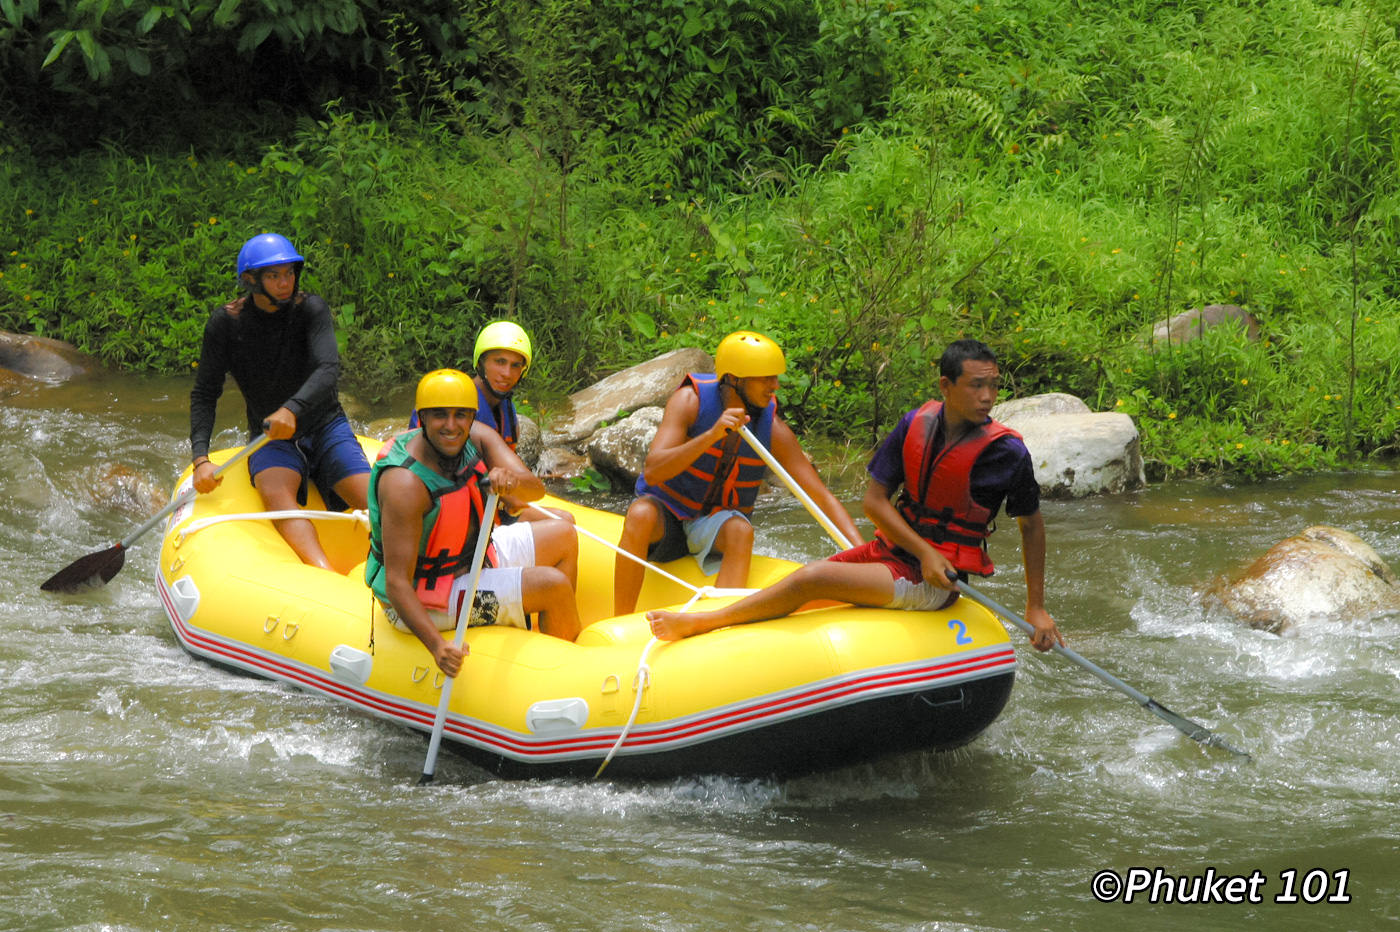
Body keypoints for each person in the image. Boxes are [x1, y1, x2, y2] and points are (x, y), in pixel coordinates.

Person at [645, 338, 1064, 653]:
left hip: (936, 581)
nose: (988, 397)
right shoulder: (915, 424)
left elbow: (1031, 525)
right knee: (797, 589)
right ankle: (723, 636)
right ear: (946, 385)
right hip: (900, 556)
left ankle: (702, 623)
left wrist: (1036, 608)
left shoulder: (1006, 453)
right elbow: (874, 502)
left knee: (812, 578)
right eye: (976, 386)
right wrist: (920, 549)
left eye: (992, 386)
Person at [614, 330, 862, 615]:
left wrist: (863, 552)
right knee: (640, 513)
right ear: (734, 379)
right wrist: (712, 435)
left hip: (712, 528)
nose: (775, 385)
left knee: (741, 531)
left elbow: (819, 495)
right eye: (766, 377)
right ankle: (620, 619)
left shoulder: (774, 428)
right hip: (668, 518)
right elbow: (654, 471)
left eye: (775, 376)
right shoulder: (688, 402)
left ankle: (718, 625)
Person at [366, 369, 581, 677]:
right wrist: (439, 648)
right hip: (426, 598)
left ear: (471, 416)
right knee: (553, 585)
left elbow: (536, 490)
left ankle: (557, 637)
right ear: (422, 418)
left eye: (461, 415)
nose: (452, 426)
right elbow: (397, 584)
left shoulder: (477, 438)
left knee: (564, 534)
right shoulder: (404, 484)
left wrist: (510, 481)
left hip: (476, 560)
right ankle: (563, 676)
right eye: (440, 415)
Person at [189, 233, 370, 571]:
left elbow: (327, 369)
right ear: (251, 280)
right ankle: (323, 572)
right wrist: (201, 457)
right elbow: (204, 393)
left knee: (376, 498)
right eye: (274, 276)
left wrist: (292, 409)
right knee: (277, 494)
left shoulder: (311, 310)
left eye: (289, 273)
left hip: (326, 424)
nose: (285, 283)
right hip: (271, 436)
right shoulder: (225, 324)